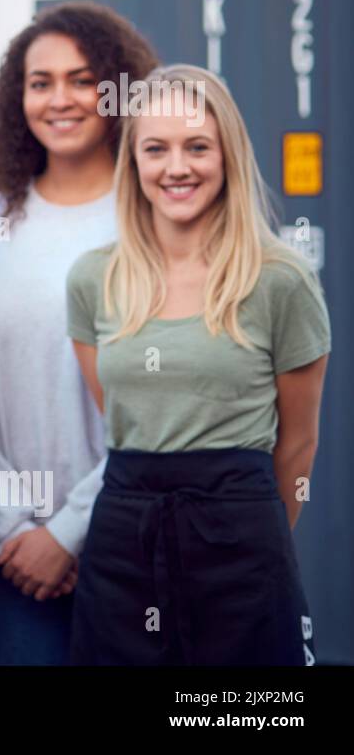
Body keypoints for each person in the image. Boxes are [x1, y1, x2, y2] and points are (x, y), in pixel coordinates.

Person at [67, 64, 329, 665]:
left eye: (197, 147)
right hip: (122, 540)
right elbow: (124, 414)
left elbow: (298, 445)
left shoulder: (281, 280)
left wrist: (246, 535)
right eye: (156, 148)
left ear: (228, 154)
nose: (177, 167)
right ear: (133, 163)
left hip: (242, 542)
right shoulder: (93, 279)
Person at [0, 1, 159, 664]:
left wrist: (71, 531)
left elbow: (170, 405)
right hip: (10, 553)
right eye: (40, 81)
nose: (61, 99)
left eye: (83, 80)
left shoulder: (155, 222)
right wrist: (14, 528)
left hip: (135, 541)